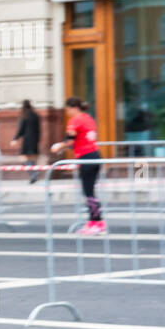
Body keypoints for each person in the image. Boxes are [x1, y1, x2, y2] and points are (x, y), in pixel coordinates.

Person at [50, 97, 105, 234]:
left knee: (88, 192)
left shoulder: (75, 120)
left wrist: (58, 147)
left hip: (86, 158)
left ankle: (98, 222)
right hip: (94, 156)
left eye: (67, 109)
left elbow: (70, 140)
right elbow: (81, 139)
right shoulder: (88, 118)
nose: (67, 113)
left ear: (73, 108)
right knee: (89, 191)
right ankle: (93, 222)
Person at [12, 100, 42, 184]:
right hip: (34, 140)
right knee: (32, 158)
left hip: (27, 140)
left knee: (24, 158)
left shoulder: (24, 116)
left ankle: (33, 174)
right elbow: (38, 130)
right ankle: (34, 173)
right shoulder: (35, 115)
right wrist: (38, 140)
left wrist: (15, 139)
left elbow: (21, 129)